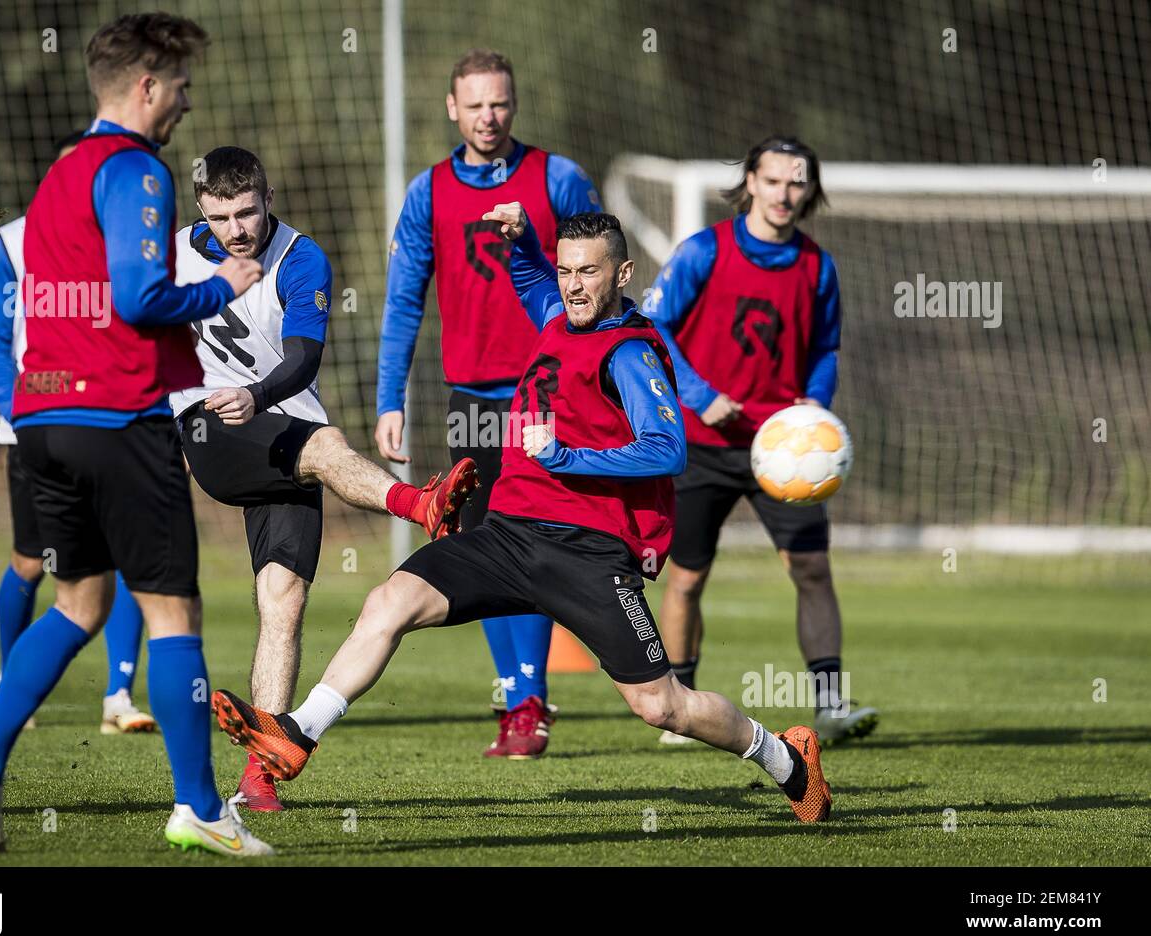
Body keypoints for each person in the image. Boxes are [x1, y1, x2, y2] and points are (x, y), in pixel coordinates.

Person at [210, 206, 833, 824]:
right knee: (389, 600)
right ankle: (298, 735)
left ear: (624, 274)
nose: (573, 284)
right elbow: (534, 281)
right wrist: (523, 242)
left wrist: (568, 455)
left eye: (589, 272)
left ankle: (786, 759)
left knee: (661, 706)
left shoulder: (630, 355)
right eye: (566, 270)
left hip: (587, 553)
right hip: (508, 536)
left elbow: (666, 450)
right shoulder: (558, 314)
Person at [0, 12, 274, 856]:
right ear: (146, 86)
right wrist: (223, 287)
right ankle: (200, 808)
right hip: (117, 418)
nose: (188, 103)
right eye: (182, 86)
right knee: (175, 615)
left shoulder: (58, 174)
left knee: (79, 603)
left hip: (43, 421)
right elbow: (135, 298)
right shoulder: (138, 169)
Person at [170, 146, 478, 811]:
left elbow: (305, 360)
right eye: (221, 216)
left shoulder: (300, 259)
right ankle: (417, 502)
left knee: (282, 604)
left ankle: (258, 777)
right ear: (201, 209)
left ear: (269, 197)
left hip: (283, 431)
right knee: (326, 444)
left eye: (247, 212)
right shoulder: (170, 255)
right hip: (210, 429)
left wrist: (259, 394)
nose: (237, 230)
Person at [374, 48, 603, 758]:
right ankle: (516, 698)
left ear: (515, 104)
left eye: (499, 103)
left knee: (534, 543)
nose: (488, 116)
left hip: (545, 393)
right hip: (469, 398)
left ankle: (531, 699)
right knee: (478, 546)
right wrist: (389, 399)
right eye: (474, 105)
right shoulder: (428, 192)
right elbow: (404, 301)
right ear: (451, 108)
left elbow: (597, 276)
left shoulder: (557, 178)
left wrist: (531, 245)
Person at [643, 135, 878, 745]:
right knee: (688, 578)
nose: (784, 193)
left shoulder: (817, 266)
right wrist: (698, 396)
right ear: (750, 181)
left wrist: (815, 401)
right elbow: (654, 327)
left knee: (812, 570)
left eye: (796, 183)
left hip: (785, 450)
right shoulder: (704, 252)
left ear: (809, 191)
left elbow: (826, 347)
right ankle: (680, 707)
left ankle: (831, 704)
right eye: (772, 181)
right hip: (699, 444)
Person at [0, 131, 154, 736]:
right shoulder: (16, 241)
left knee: (131, 560)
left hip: (115, 421)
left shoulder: (126, 236)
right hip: (36, 429)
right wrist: (18, 409)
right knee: (32, 561)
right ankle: (11, 683)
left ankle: (119, 695)